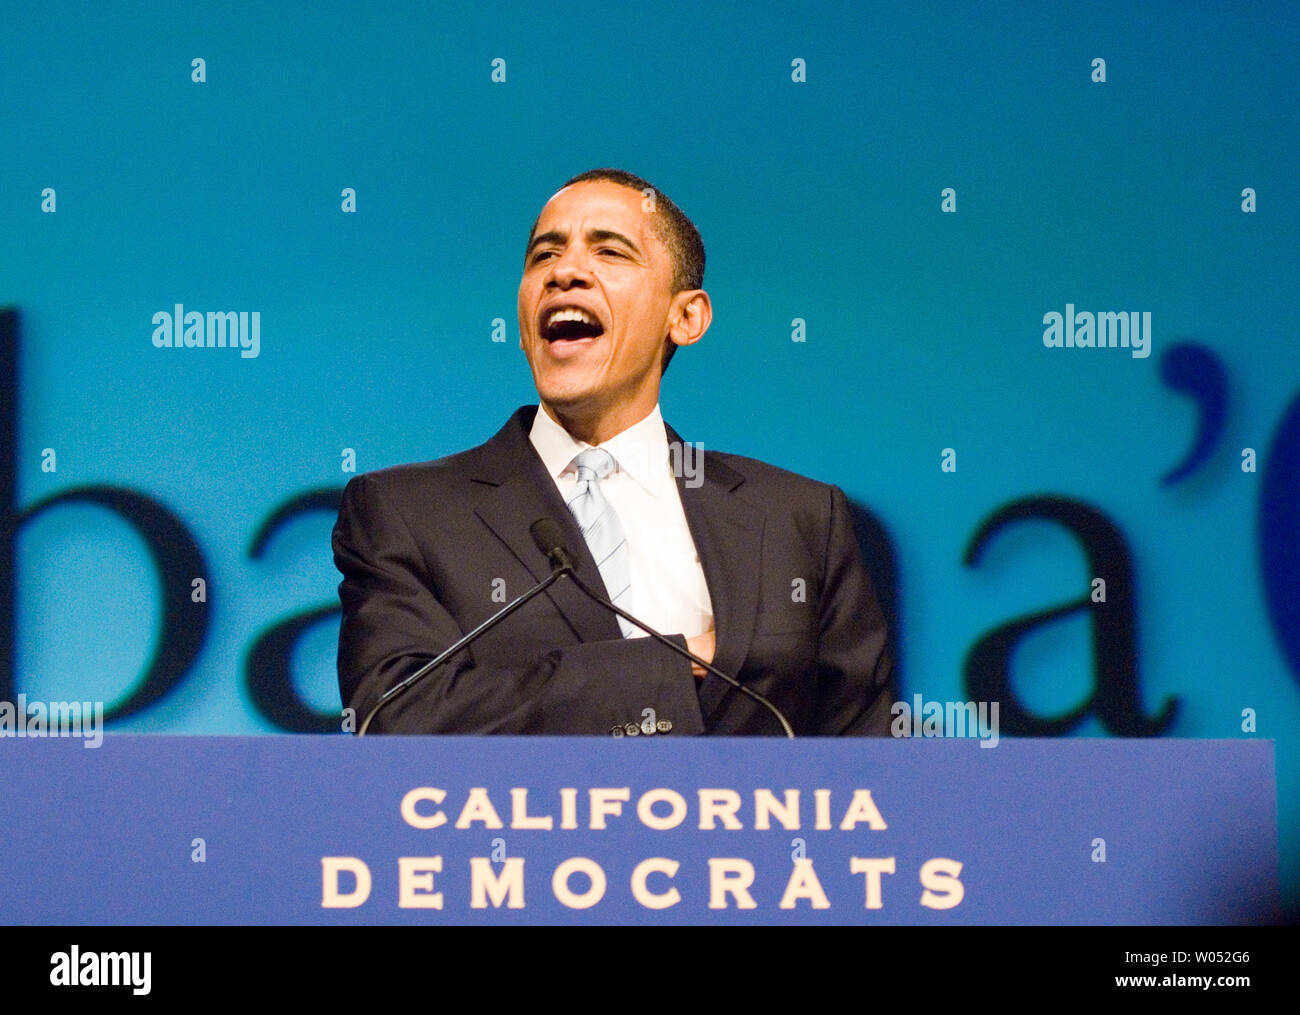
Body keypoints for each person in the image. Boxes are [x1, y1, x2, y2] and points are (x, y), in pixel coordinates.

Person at [333, 168, 895, 736]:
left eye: (610, 252)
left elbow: (869, 763)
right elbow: (393, 720)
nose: (565, 272)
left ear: (686, 317)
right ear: (524, 329)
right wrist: (675, 666)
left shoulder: (798, 520)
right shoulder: (408, 513)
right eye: (543, 256)